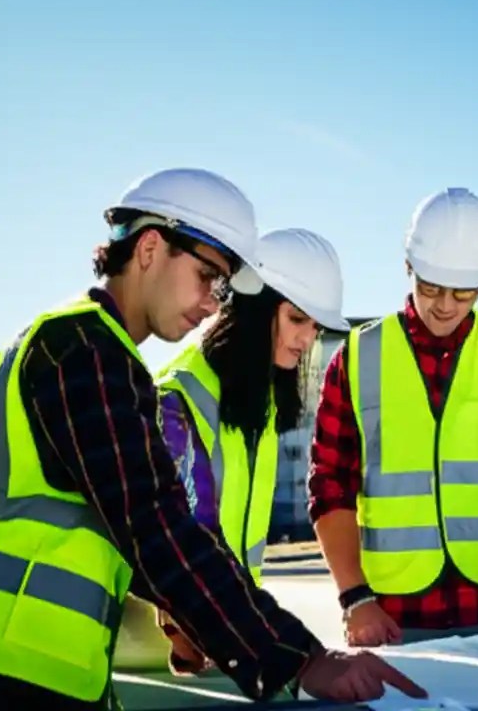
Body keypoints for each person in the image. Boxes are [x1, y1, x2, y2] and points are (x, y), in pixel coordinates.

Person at [0, 168, 426, 708]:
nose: (213, 302)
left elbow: (121, 529)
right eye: (209, 277)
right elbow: (152, 521)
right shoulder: (82, 351)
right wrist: (301, 660)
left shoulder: (92, 353)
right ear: (151, 248)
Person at [308, 187, 478, 648]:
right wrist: (354, 598)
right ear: (408, 266)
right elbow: (329, 486)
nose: (445, 305)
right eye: (430, 287)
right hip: (389, 615)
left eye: (463, 292)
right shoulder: (358, 357)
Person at [148, 227, 353, 675]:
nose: (307, 339)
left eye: (315, 327)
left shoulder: (259, 407)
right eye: (297, 319)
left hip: (225, 643)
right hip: (167, 656)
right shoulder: (178, 399)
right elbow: (169, 542)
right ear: (257, 309)